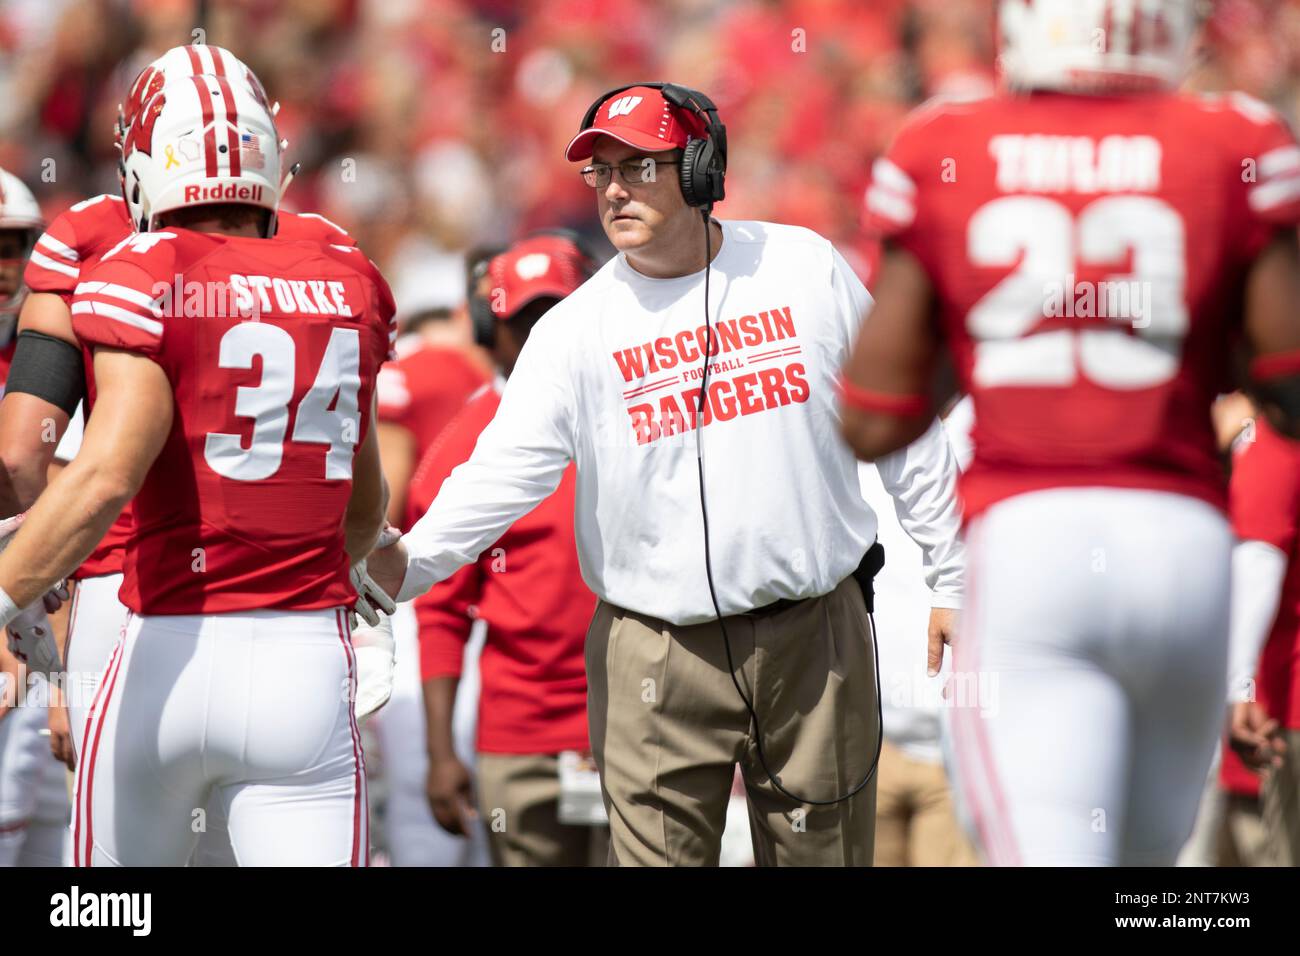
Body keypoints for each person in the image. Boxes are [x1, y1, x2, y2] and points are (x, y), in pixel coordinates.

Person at [367, 83, 964, 867]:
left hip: (813, 635)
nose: (614, 190)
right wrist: (407, 564)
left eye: (638, 167)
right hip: (652, 646)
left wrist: (951, 574)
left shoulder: (805, 269)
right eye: (599, 173)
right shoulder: (574, 329)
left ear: (701, 170)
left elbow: (902, 430)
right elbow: (500, 475)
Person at [840, 0, 1300, 865]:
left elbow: (874, 415)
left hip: (1031, 551)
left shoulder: (948, 145)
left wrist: (976, 336)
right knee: (1149, 887)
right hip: (1186, 553)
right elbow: (1291, 383)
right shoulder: (1236, 139)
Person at [0, 74, 395, 866]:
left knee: (111, 915)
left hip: (161, 658)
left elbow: (105, 473)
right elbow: (363, 503)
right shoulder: (345, 269)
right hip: (304, 664)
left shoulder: (137, 264)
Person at [415, 233, 607, 866]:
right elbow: (440, 611)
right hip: (518, 740)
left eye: (558, 316)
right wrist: (441, 752)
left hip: (636, 728)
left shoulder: (643, 411)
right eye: (524, 323)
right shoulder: (463, 444)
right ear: (485, 331)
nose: (544, 337)